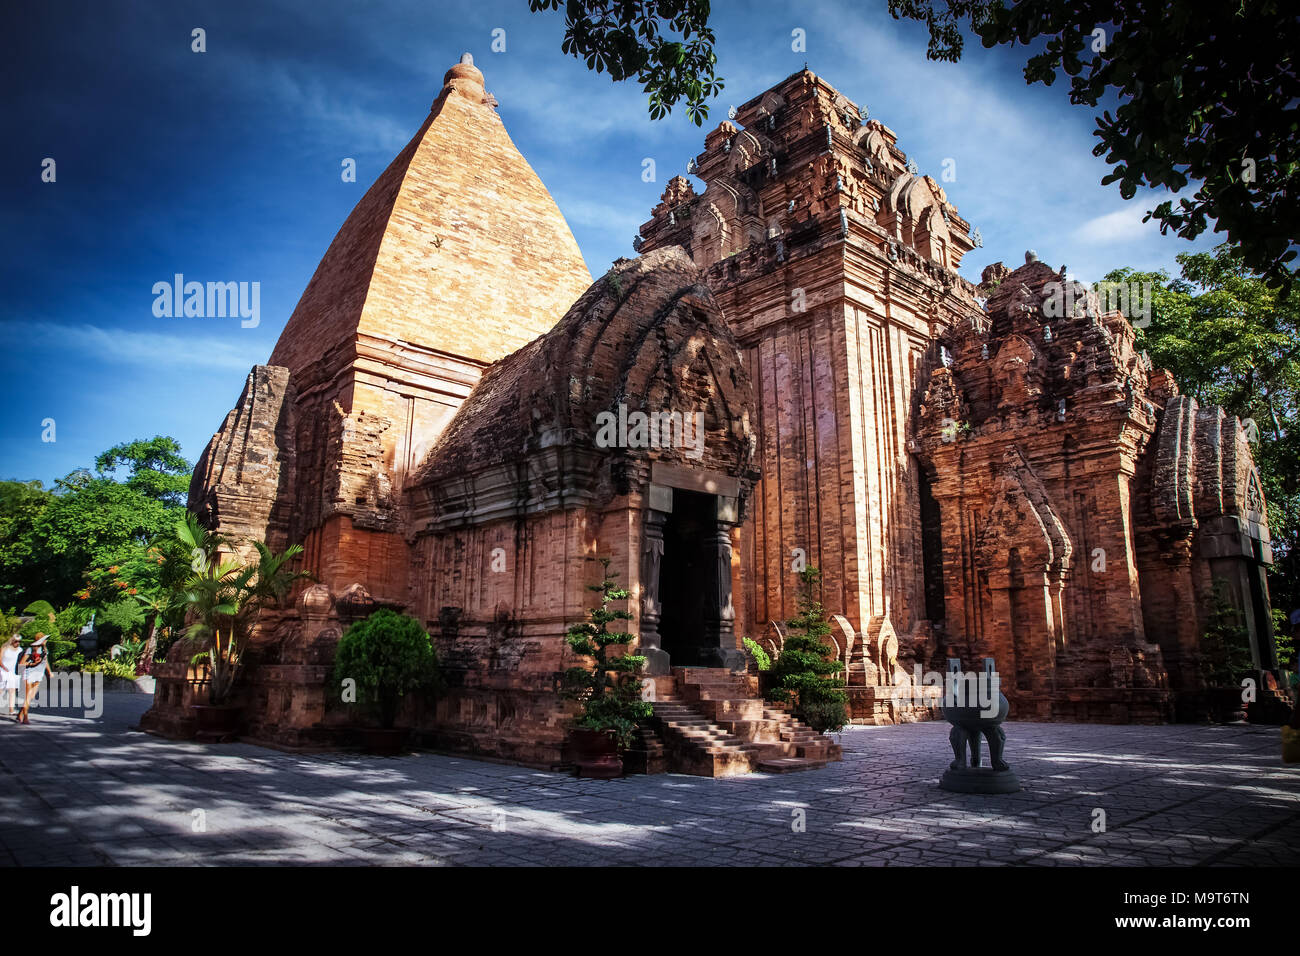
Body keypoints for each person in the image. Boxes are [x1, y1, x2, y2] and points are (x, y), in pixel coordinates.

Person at [16, 634, 49, 725]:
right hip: (30, 674)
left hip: (39, 674)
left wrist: (49, 672)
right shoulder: (30, 649)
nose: (46, 640)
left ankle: (20, 714)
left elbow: (45, 662)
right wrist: (32, 664)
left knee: (31, 697)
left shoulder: (44, 649)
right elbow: (21, 663)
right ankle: (25, 717)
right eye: (44, 639)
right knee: (28, 697)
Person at [1, 634, 21, 718]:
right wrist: (3, 668)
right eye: (16, 641)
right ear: (12, 640)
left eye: (19, 641)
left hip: (12, 673)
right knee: (1, 690)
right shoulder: (5, 648)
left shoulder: (20, 650)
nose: (18, 643)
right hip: (2, 671)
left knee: (12, 691)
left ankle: (11, 710)